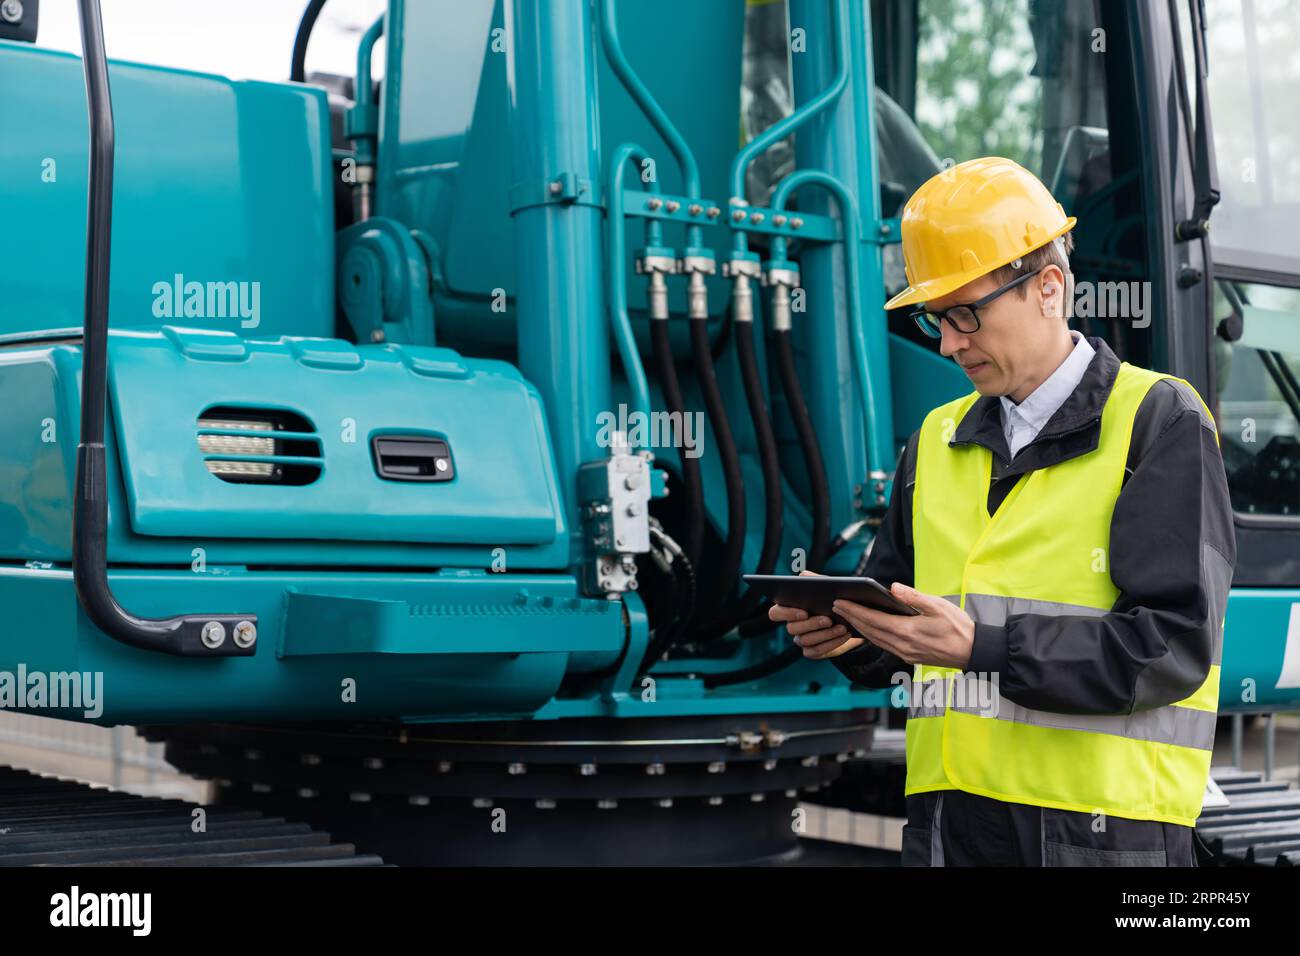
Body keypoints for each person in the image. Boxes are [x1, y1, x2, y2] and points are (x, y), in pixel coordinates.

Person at [770, 156, 1236, 866]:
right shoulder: (935, 439)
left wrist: (983, 648)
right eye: (936, 320)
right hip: (951, 825)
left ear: (1049, 287)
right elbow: (906, 619)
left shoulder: (1158, 420)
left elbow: (1171, 649)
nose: (951, 343)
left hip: (1102, 834)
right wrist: (849, 637)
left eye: (966, 314)